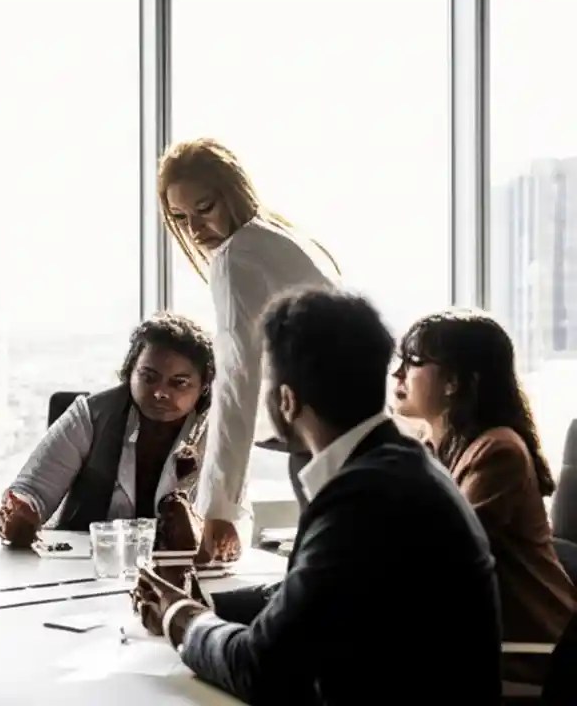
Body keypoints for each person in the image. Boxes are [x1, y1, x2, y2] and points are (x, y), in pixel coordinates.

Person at [133, 288, 501, 704]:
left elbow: (261, 667)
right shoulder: (398, 464)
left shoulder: (367, 495)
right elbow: (308, 593)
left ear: (287, 400)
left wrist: (179, 618)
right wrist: (200, 600)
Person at [159, 138, 341, 561]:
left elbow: (238, 383)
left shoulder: (235, 256)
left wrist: (219, 510)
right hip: (345, 437)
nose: (195, 229)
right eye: (180, 217)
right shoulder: (278, 238)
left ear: (233, 194)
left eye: (205, 209)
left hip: (318, 440)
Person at [394, 309, 577, 685]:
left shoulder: (498, 451)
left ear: (454, 382)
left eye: (412, 362)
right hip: (484, 643)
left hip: (534, 653)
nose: (397, 374)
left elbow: (444, 556)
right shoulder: (431, 448)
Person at [0, 313, 213, 548]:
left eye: (179, 382)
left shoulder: (217, 433)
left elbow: (233, 515)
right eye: (149, 377)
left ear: (203, 386)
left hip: (186, 574)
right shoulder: (90, 415)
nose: (160, 392)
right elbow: (33, 491)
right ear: (130, 372)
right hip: (86, 570)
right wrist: (21, 512)